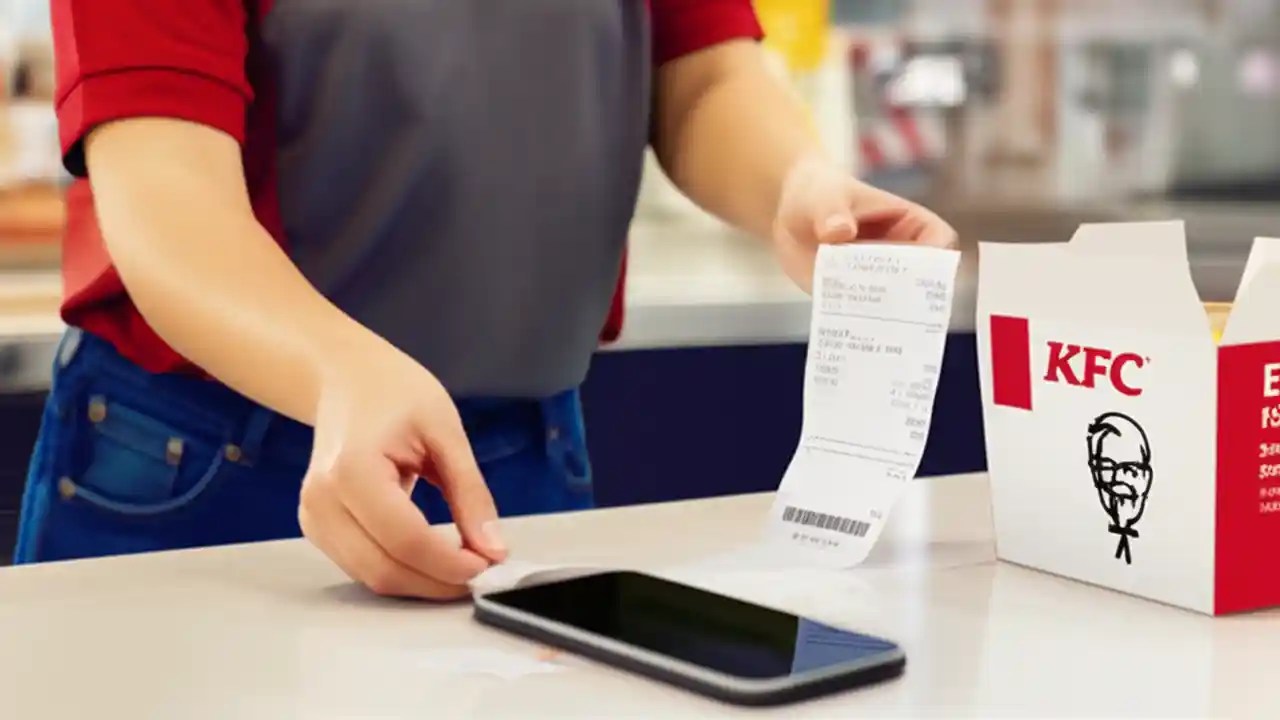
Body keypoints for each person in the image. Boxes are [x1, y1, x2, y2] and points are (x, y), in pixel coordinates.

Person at [15, 0, 956, 599]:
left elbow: (702, 73)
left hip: (519, 463)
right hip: (209, 469)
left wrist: (795, 183)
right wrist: (339, 371)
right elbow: (168, 198)